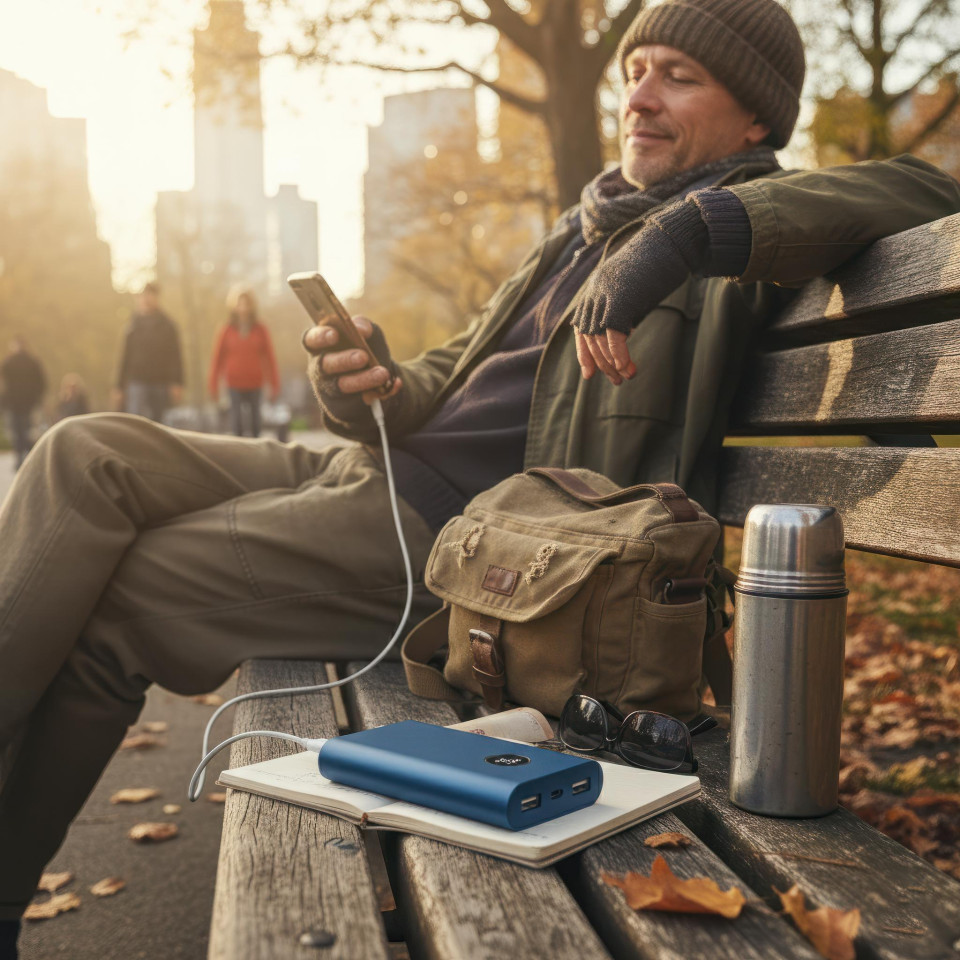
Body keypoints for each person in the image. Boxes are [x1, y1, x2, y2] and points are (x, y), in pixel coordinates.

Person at [2, 0, 960, 952]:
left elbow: (925, 188)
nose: (640, 95)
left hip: (460, 551)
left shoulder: (739, 244)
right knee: (86, 451)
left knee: (121, 607)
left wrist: (680, 238)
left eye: (680, 76)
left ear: (756, 119)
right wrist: (369, 376)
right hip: (368, 467)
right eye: (635, 70)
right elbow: (444, 377)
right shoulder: (580, 229)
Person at [207, 286, 280, 437]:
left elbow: (270, 359)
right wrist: (213, 385)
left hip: (255, 383)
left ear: (252, 306)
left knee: (255, 423)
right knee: (237, 423)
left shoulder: (260, 329)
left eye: (246, 304)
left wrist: (274, 385)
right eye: (240, 304)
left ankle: (256, 455)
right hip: (234, 383)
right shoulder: (226, 329)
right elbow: (217, 360)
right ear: (234, 306)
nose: (243, 308)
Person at [113, 281, 184, 422]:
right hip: (136, 382)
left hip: (160, 383)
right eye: (142, 295)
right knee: (136, 422)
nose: (146, 299)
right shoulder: (132, 326)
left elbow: (176, 356)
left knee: (159, 423)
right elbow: (125, 358)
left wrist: (177, 382)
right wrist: (119, 386)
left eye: (150, 295)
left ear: (156, 297)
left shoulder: (168, 325)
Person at [0, 337, 46, 470]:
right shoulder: (33, 361)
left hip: (14, 403)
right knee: (26, 430)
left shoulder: (9, 361)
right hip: (27, 403)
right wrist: (37, 398)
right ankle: (25, 457)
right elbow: (41, 383)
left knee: (17, 430)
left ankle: (20, 456)